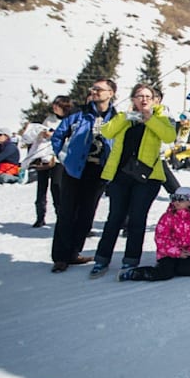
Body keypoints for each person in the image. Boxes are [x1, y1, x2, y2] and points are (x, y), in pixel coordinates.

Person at [89, 83, 176, 278]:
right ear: (133, 99)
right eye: (139, 96)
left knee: (137, 218)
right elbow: (107, 132)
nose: (144, 99)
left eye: (148, 96)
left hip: (148, 177)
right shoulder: (124, 117)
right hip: (121, 175)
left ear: (154, 100)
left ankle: (130, 260)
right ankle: (101, 259)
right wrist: (126, 118)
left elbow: (169, 136)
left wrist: (150, 119)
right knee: (115, 218)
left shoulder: (161, 117)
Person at [49, 79, 117, 273]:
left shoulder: (116, 117)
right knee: (67, 212)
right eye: (93, 89)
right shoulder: (79, 114)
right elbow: (58, 136)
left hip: (99, 170)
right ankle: (60, 257)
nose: (94, 92)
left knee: (87, 213)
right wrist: (64, 156)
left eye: (99, 89)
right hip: (75, 169)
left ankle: (74, 252)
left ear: (110, 93)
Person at [119, 188, 190, 282]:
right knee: (165, 272)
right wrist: (177, 252)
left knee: (188, 270)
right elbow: (161, 238)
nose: (176, 202)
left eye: (181, 199)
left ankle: (176, 266)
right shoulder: (167, 217)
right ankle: (134, 273)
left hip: (186, 253)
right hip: (167, 253)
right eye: (174, 198)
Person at [22, 95, 72, 227]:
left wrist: (55, 136)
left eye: (58, 105)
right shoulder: (49, 120)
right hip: (44, 156)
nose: (55, 107)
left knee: (57, 186)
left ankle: (60, 215)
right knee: (41, 187)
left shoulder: (70, 120)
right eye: (54, 105)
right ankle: (40, 216)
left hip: (59, 158)